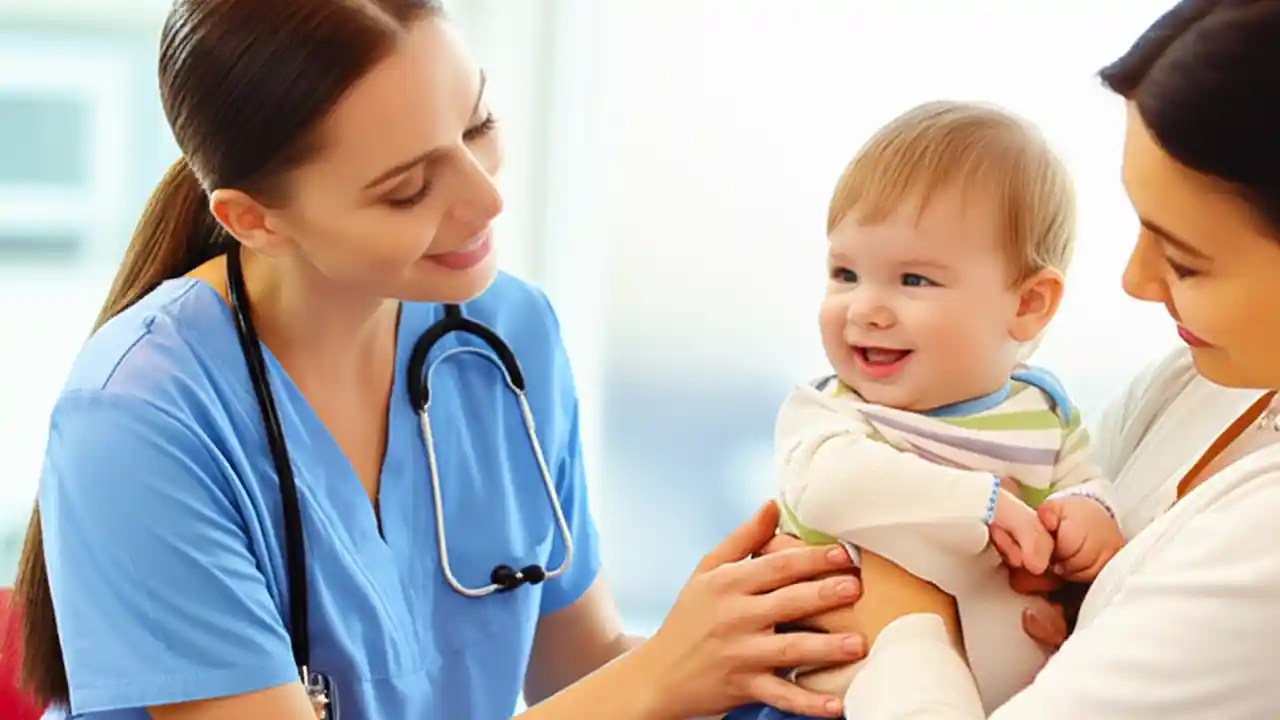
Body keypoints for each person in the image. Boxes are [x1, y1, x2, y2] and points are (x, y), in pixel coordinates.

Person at [10, 2, 871, 719]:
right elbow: (629, 693)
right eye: (407, 188)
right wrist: (661, 676)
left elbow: (583, 666)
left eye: (479, 124)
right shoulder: (138, 419)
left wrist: (807, 656)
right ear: (254, 220)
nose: (488, 196)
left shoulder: (509, 336)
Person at [801, 1, 1280, 716]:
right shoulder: (1208, 379)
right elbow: (1083, 496)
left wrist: (903, 621)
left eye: (1186, 261)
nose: (1134, 281)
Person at [728, 102, 1124, 720]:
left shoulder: (1043, 412)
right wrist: (981, 501)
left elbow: (1083, 482)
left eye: (914, 280)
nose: (866, 308)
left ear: (1028, 304)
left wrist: (1087, 516)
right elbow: (829, 487)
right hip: (825, 700)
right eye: (845, 273)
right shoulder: (831, 412)